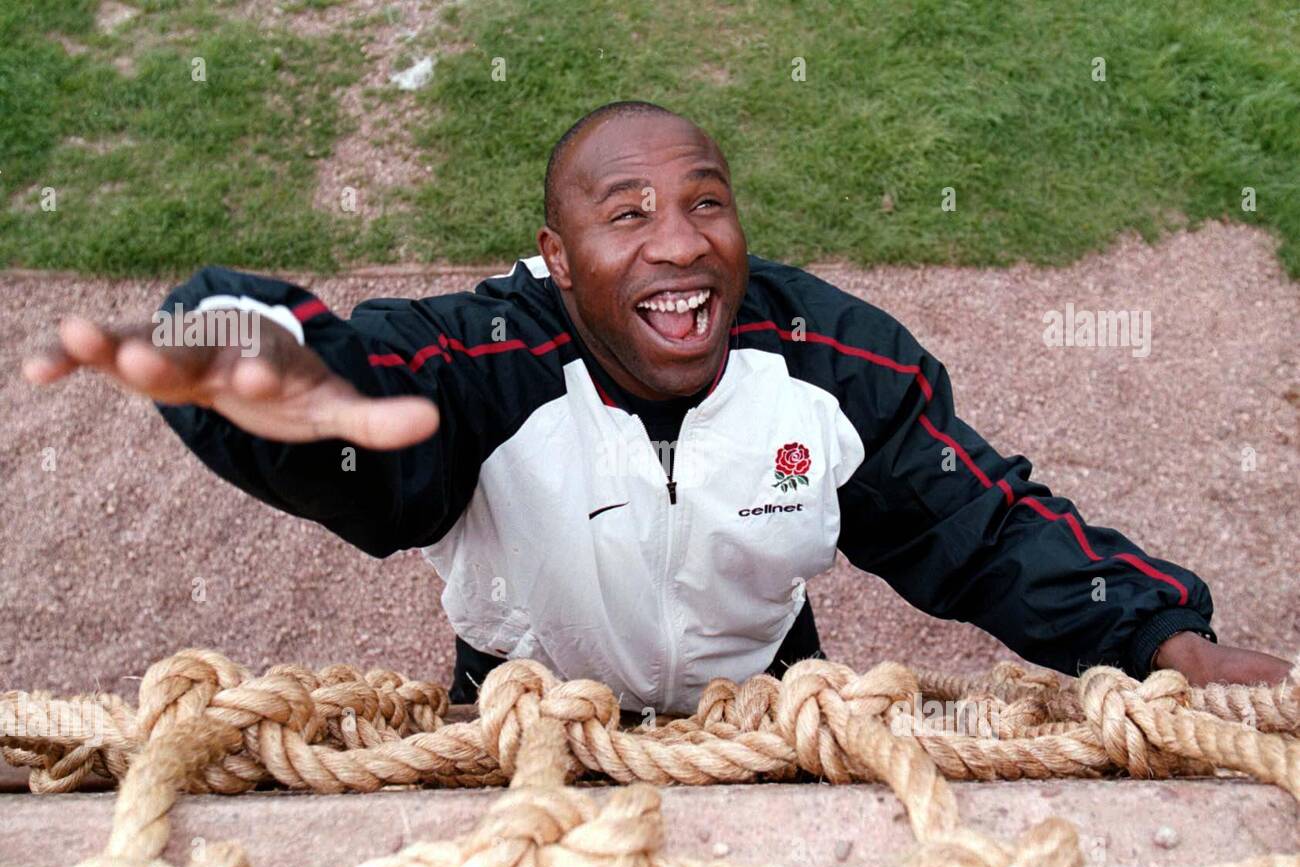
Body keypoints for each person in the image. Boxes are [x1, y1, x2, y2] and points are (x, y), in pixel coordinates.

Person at [23, 101, 1292, 713]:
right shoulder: (482, 354)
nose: (678, 245)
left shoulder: (838, 357)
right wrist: (242, 355)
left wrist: (1160, 639)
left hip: (769, 697)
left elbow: (985, 525)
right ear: (556, 256)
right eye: (624, 216)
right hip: (520, 709)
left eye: (706, 202)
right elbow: (349, 387)